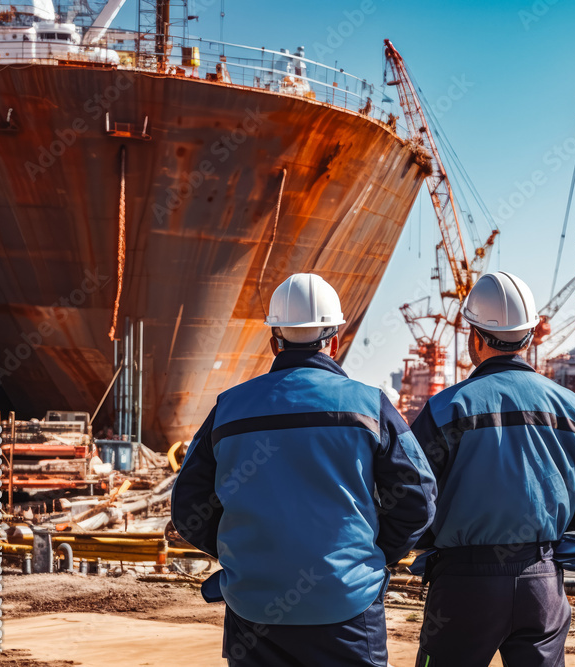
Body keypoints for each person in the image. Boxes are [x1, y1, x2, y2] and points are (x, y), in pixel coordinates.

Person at [171, 273, 436, 667]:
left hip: (254, 612)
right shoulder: (369, 406)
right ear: (335, 339)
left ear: (273, 340)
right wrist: (373, 555)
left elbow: (188, 509)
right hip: (347, 606)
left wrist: (244, 556)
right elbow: (418, 499)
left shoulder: (228, 409)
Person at [409, 271, 575, 667]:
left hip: (463, 583)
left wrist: (430, 538)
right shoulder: (570, 407)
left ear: (473, 336)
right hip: (541, 583)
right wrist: (551, 521)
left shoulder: (446, 408)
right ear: (529, 337)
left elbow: (409, 497)